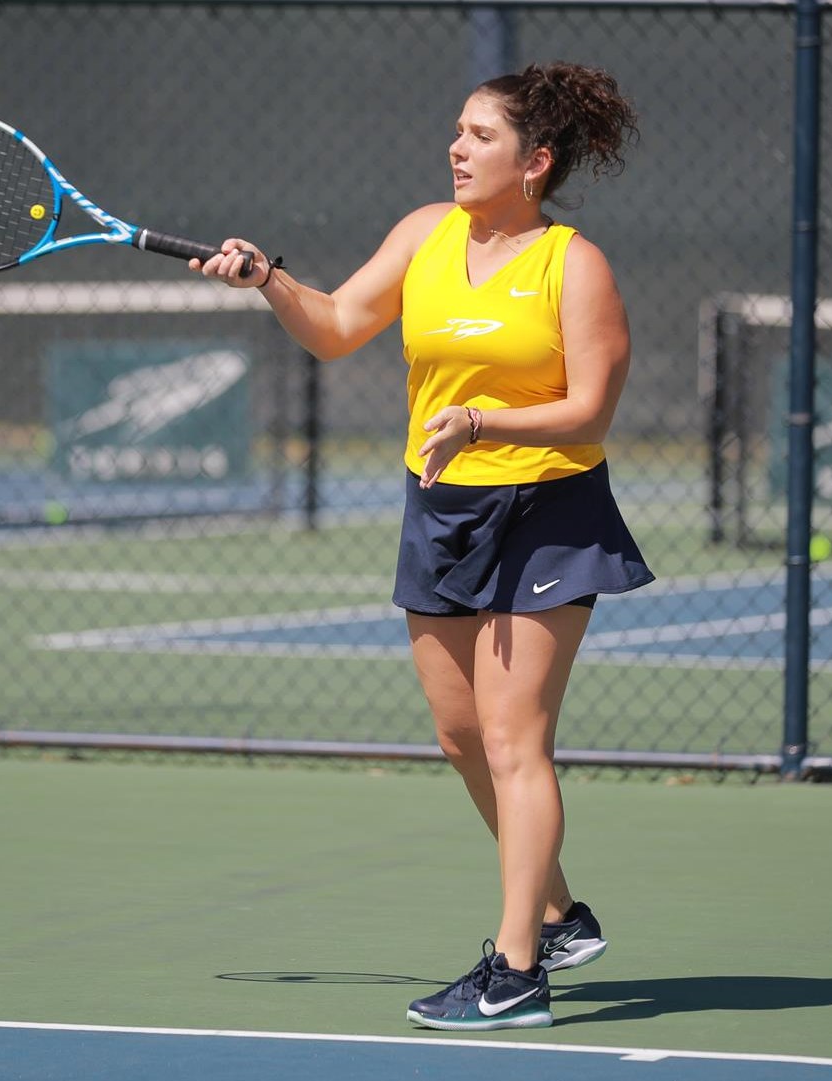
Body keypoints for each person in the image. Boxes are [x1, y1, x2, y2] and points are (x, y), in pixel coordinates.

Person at [191, 61, 651, 1031]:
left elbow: (593, 410)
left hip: (547, 506)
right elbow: (338, 326)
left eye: (481, 137)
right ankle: (560, 911)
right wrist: (269, 277)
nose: (456, 148)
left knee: (518, 738)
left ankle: (517, 965)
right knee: (462, 736)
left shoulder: (573, 264)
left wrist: (486, 425)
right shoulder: (422, 236)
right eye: (457, 131)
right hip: (440, 510)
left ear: (536, 162)